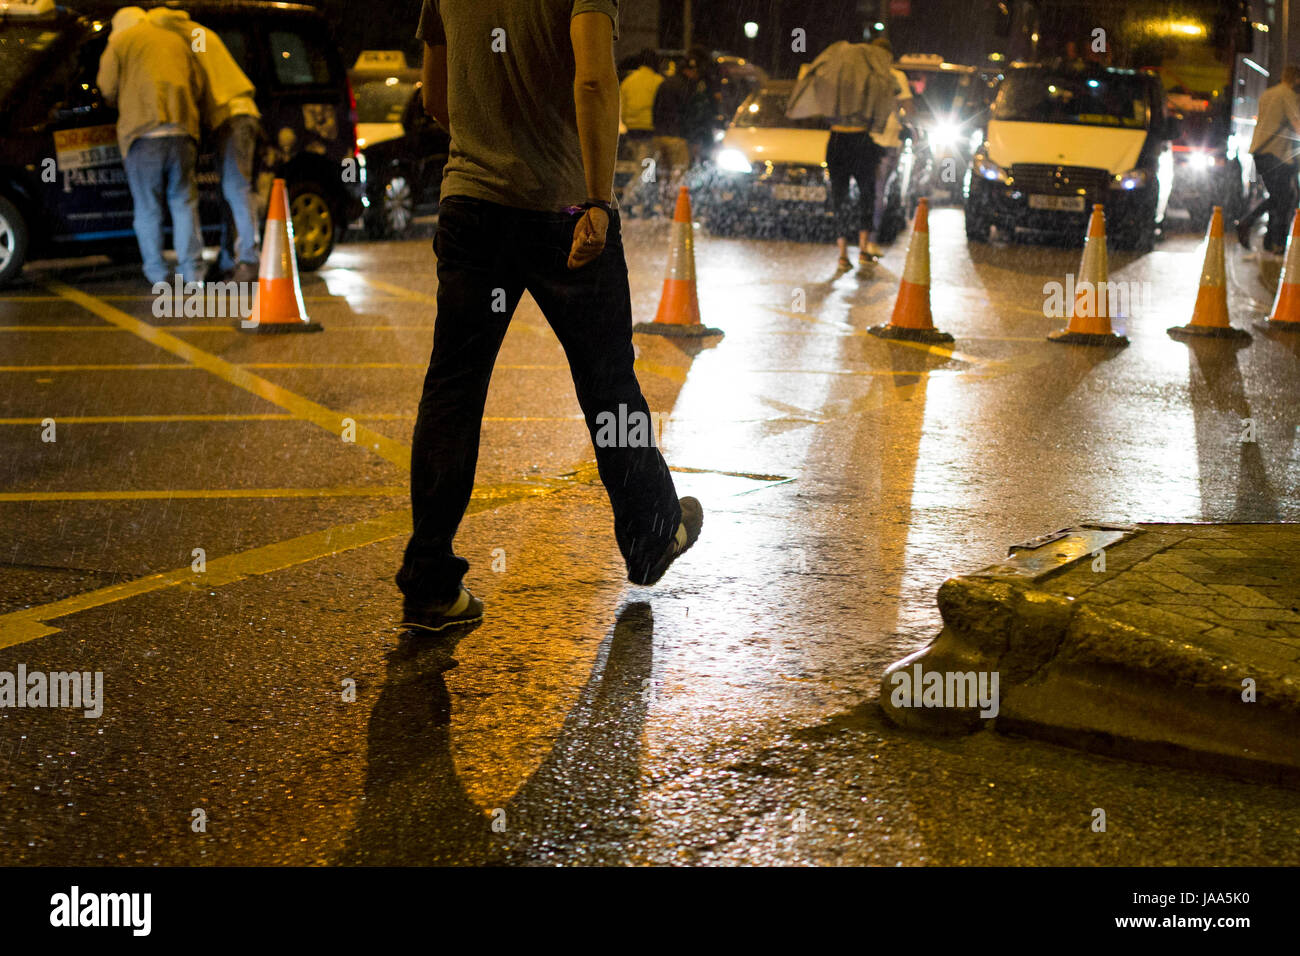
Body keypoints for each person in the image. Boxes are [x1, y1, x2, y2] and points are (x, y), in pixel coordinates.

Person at [397, 0, 703, 632]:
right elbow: (592, 80)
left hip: (472, 205)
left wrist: (494, 136)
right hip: (563, 210)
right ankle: (650, 535)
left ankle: (429, 579)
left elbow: (435, 97)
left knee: (453, 388)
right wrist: (596, 199)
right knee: (608, 384)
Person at [147, 8, 262, 283]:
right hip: (236, 114)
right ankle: (231, 260)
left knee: (236, 189)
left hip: (232, 115)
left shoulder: (191, 38)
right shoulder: (200, 32)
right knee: (231, 192)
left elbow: (197, 79)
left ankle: (249, 259)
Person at [97, 7, 207, 286]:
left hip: (142, 135)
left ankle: (158, 275)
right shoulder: (176, 39)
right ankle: (192, 274)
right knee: (184, 205)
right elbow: (197, 84)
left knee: (148, 210)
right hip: (182, 131)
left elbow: (106, 87)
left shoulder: (120, 41)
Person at [1238, 66, 1300, 255]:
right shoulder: (1287, 94)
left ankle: (1270, 241)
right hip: (1275, 154)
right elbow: (1297, 122)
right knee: (1283, 197)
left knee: (1281, 197)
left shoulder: (1268, 94)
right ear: (1295, 79)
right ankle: (1250, 224)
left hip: (1261, 151)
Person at [866, 42, 913, 259]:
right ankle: (870, 240)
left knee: (869, 192)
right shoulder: (896, 77)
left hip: (866, 138)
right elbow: (909, 108)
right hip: (887, 141)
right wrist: (909, 123)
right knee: (879, 192)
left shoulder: (867, 75)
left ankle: (863, 238)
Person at [618, 48, 662, 215]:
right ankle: (629, 200)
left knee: (644, 167)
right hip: (648, 130)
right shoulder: (657, 81)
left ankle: (646, 204)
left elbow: (621, 104)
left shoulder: (629, 81)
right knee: (645, 169)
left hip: (631, 130)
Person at [651, 57, 698, 206]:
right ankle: (674, 206)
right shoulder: (686, 86)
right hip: (676, 136)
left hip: (659, 135)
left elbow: (655, 108)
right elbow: (688, 113)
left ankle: (663, 203)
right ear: (687, 71)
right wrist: (689, 135)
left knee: (663, 173)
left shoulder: (665, 83)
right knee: (678, 172)